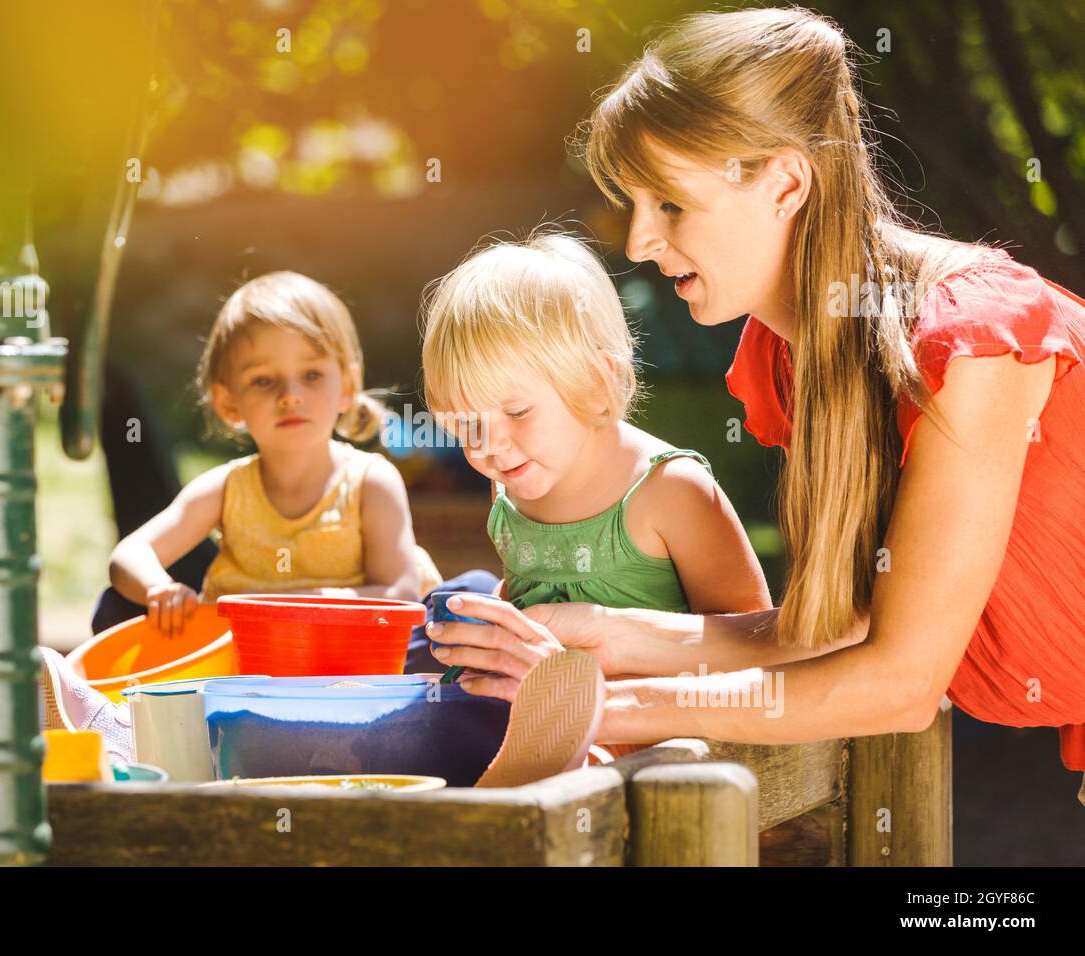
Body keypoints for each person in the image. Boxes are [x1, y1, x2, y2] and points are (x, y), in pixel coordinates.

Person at [427, 7, 1085, 801]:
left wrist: (598, 706)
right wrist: (599, 634)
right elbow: (832, 628)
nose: (637, 242)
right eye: (632, 203)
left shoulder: (973, 340)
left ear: (784, 183)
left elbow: (900, 682)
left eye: (669, 204)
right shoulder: (788, 356)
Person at [419, 230, 772, 759]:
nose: (490, 446)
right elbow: (533, 597)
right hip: (537, 725)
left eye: (516, 413)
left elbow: (758, 643)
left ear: (595, 383)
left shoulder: (668, 490)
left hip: (655, 745)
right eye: (467, 426)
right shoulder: (512, 486)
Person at [98, 270, 443, 639]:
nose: (290, 395)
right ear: (228, 402)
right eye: (263, 380)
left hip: (355, 657)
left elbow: (400, 595)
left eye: (311, 375)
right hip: (250, 658)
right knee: (116, 608)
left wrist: (294, 608)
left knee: (458, 601)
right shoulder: (226, 489)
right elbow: (129, 555)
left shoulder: (370, 482)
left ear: (346, 387)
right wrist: (157, 590)